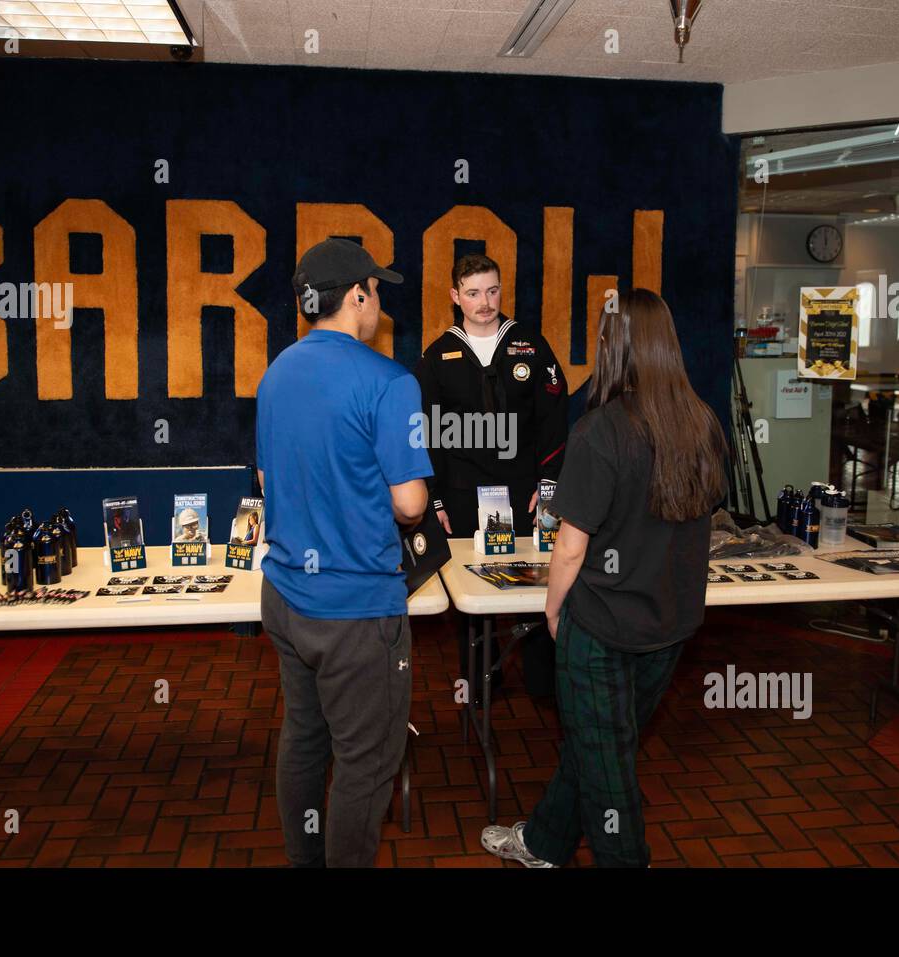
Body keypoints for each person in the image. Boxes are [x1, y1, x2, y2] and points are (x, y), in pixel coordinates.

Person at [480, 289, 727, 868]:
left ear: (613, 347)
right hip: (670, 627)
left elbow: (569, 548)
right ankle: (545, 843)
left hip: (602, 630)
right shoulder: (703, 422)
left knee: (608, 763)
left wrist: (552, 609)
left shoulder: (599, 430)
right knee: (600, 748)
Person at [255, 238, 432, 868]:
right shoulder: (389, 381)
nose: (379, 301)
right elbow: (410, 504)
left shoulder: (276, 373)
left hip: (285, 598)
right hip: (355, 611)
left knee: (305, 739)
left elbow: (269, 481)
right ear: (356, 295)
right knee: (366, 763)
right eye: (376, 289)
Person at [416, 253, 568, 697]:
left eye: (492, 290)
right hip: (462, 494)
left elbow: (554, 417)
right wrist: (434, 498)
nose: (484, 302)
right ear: (455, 296)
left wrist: (549, 481)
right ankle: (482, 681)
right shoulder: (437, 355)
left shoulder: (530, 346)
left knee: (535, 585)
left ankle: (543, 681)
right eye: (473, 293)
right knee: (471, 594)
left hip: (524, 493)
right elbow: (426, 432)